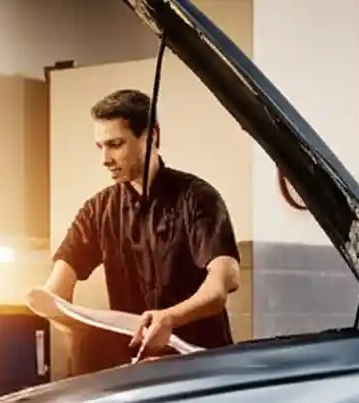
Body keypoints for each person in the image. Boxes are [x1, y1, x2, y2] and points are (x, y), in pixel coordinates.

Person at [43, 88, 242, 369]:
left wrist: (170, 317)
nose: (105, 159)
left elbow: (223, 282)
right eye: (99, 147)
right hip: (138, 373)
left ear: (151, 136)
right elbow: (54, 293)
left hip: (201, 369)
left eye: (115, 144)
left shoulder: (197, 197)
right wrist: (75, 328)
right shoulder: (97, 209)